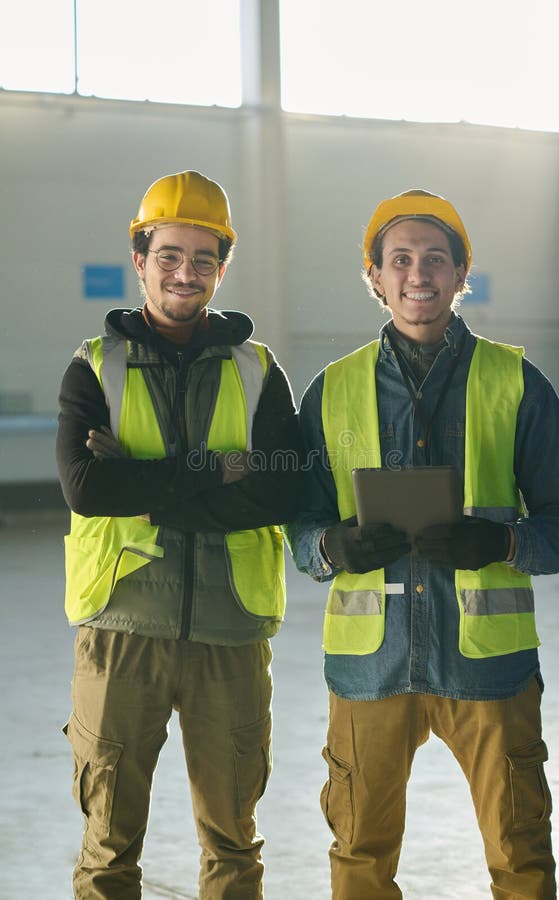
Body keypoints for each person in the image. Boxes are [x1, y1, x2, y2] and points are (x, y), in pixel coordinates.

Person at [285, 188, 559, 899]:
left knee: (522, 855)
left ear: (463, 274)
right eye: (400, 259)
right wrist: (334, 546)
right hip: (371, 668)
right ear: (374, 276)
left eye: (435, 259)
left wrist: (503, 540)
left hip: (489, 669)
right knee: (360, 856)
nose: (417, 274)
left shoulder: (516, 384)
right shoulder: (330, 392)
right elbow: (299, 531)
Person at [57, 170, 301, 899]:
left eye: (202, 259)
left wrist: (149, 484)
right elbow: (87, 487)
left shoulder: (258, 370)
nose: (185, 273)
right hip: (122, 625)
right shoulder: (94, 366)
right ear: (140, 260)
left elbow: (285, 487)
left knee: (233, 843)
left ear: (222, 268)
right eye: (169, 255)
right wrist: (214, 469)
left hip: (232, 630)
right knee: (109, 845)